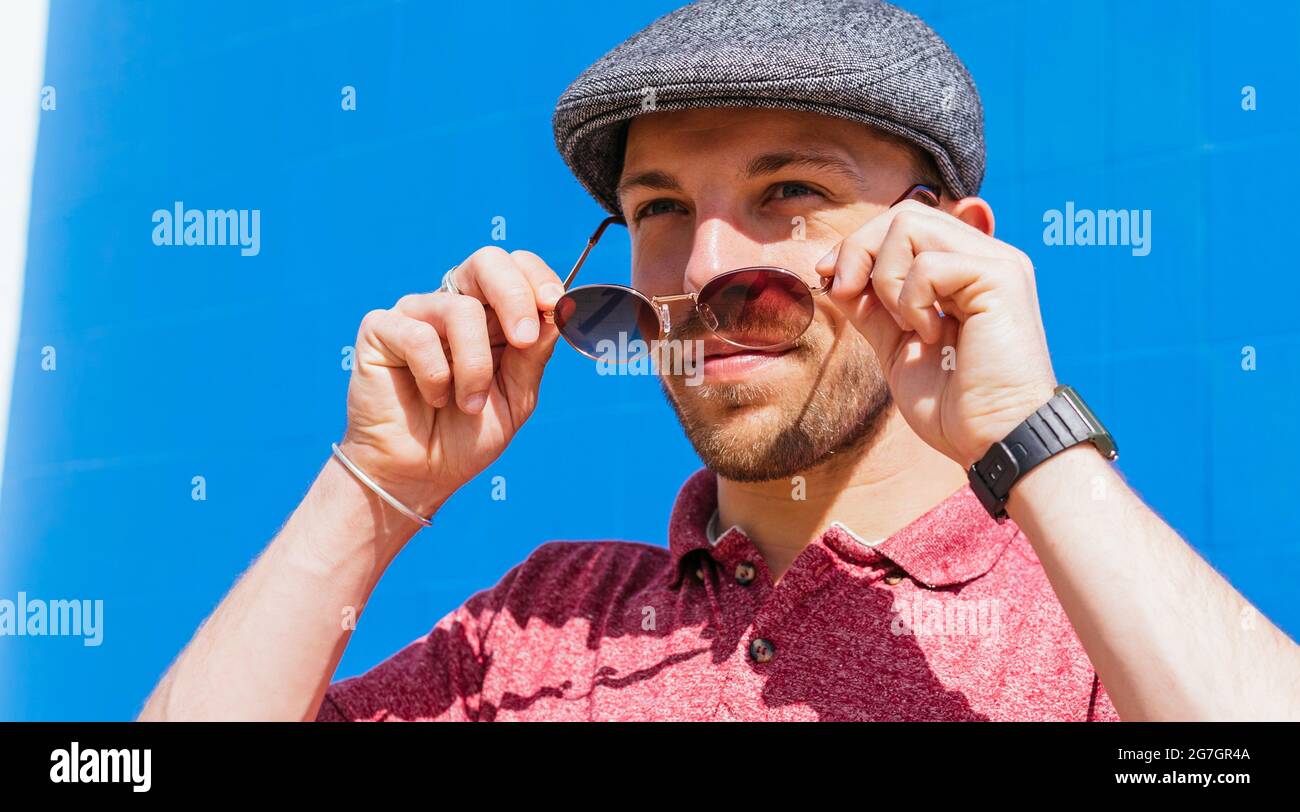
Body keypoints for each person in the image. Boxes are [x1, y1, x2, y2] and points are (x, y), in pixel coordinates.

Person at [140, 0, 1300, 721]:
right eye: (657, 209)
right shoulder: (544, 626)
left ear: (945, 243)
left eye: (788, 191)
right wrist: (371, 488)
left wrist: (1029, 437)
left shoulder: (1093, 629)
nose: (702, 269)